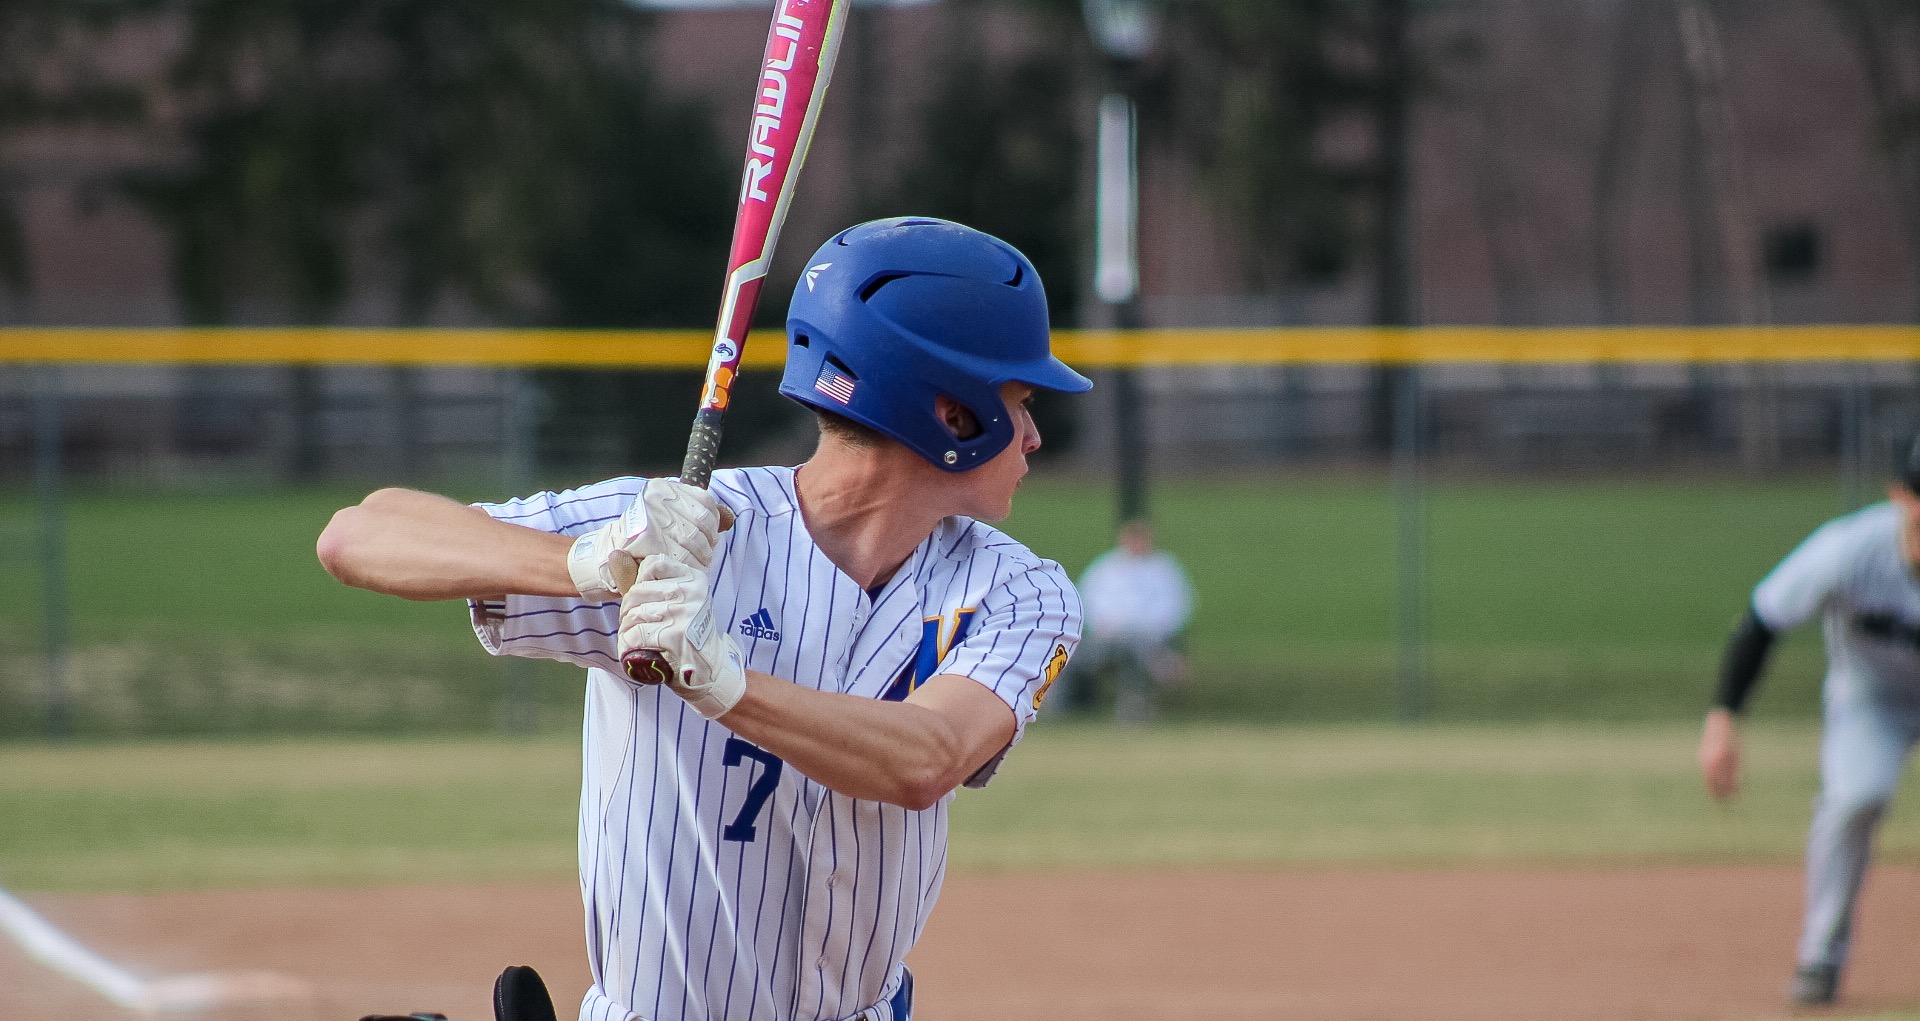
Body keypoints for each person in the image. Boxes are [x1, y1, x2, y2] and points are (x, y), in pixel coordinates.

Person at [317, 217, 1088, 1021]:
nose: (1033, 434)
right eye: (1019, 400)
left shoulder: (1018, 591)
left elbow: (925, 760)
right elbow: (358, 533)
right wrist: (593, 566)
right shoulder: (683, 530)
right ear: (952, 412)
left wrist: (721, 679)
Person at [1699, 437, 1920, 1008]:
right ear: (1900, 495)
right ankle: (1820, 957)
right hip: (1871, 699)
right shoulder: (1849, 550)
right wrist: (1724, 720)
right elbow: (1762, 619)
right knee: (1855, 798)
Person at [1061, 518, 1193, 722]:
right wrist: (1107, 625)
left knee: (1136, 649)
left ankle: (1132, 709)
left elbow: (1176, 606)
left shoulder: (1164, 569)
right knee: (1068, 654)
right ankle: (1064, 710)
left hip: (1149, 637)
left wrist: (1149, 628)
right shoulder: (1106, 568)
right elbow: (1087, 602)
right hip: (1108, 637)